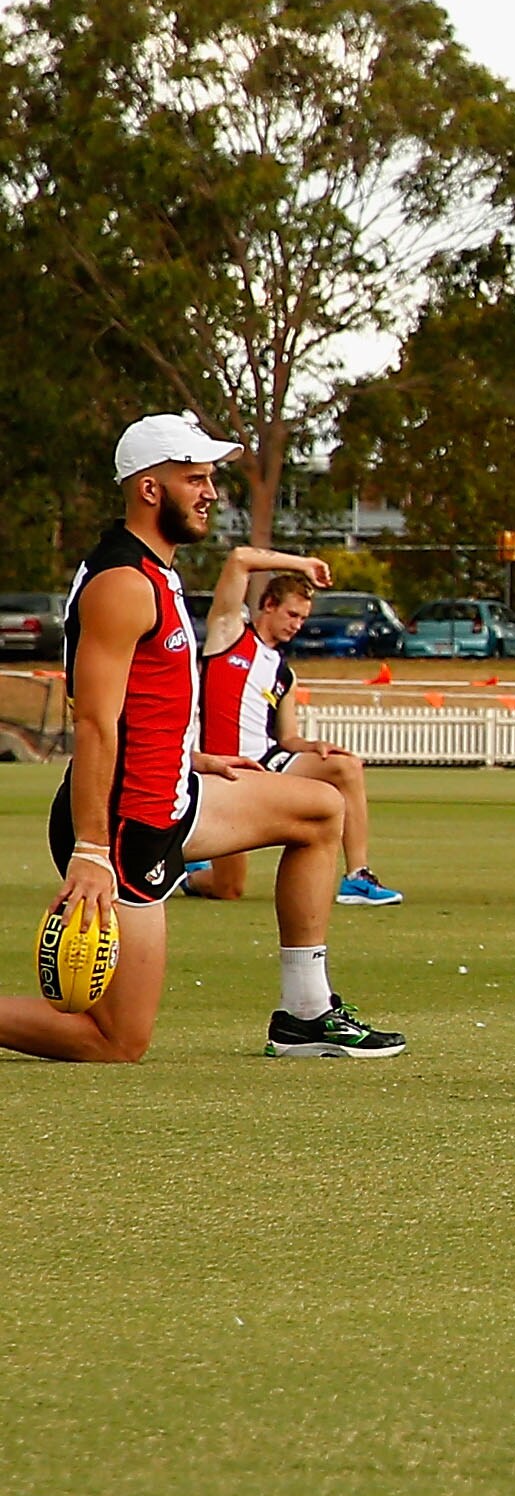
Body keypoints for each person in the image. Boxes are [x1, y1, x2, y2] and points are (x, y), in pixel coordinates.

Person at [4, 414, 402, 1064]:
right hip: (124, 826)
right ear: (149, 489)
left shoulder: (156, 573)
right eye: (196, 478)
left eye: (210, 477)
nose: (211, 491)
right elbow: (97, 723)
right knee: (116, 1043)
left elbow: (144, 704)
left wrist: (192, 757)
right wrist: (91, 850)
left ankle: (304, 1016)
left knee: (321, 810)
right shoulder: (124, 582)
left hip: (174, 793)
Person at [188, 569, 394, 908]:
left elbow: (288, 738)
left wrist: (314, 747)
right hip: (223, 771)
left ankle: (357, 877)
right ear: (268, 605)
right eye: (292, 614)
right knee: (228, 888)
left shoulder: (285, 673)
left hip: (267, 764)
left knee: (346, 767)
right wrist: (302, 562)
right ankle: (189, 874)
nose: (298, 625)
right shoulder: (229, 636)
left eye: (303, 618)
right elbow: (239, 559)